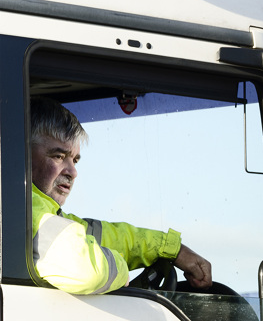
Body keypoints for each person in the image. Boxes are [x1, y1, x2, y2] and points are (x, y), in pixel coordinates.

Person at [30, 97, 212, 295]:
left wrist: (171, 248)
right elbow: (89, 270)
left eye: (75, 160)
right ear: (21, 154)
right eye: (58, 156)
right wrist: (120, 269)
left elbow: (102, 236)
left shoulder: (47, 215)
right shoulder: (26, 212)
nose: (73, 172)